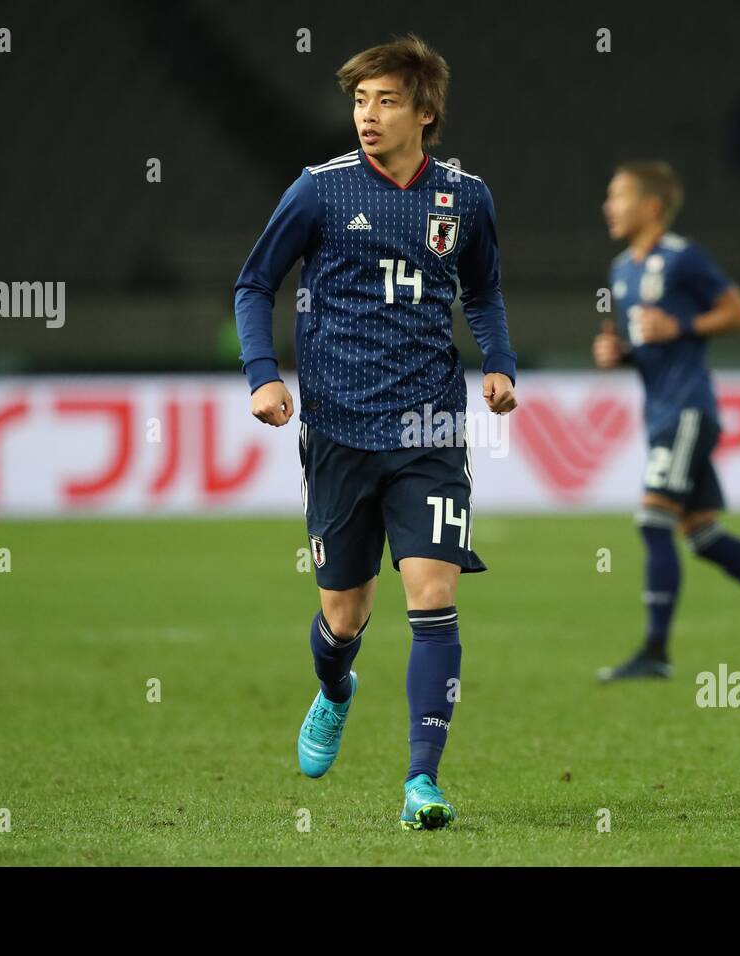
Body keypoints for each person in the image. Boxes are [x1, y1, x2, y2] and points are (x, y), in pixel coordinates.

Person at [233, 35, 517, 829]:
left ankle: (421, 782)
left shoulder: (465, 198)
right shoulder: (319, 192)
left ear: (425, 112)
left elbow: (484, 288)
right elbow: (255, 282)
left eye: (386, 100)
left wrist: (499, 361)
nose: (367, 114)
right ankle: (334, 689)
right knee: (345, 615)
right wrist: (262, 374)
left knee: (432, 595)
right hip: (338, 434)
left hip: (429, 429)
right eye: (360, 100)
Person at [592, 161, 740, 682]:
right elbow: (651, 343)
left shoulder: (683, 259)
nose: (608, 206)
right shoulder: (621, 269)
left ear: (652, 206)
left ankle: (656, 652)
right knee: (701, 534)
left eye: (618, 196)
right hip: (660, 411)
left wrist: (679, 323)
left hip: (687, 410)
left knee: (652, 520)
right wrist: (622, 354)